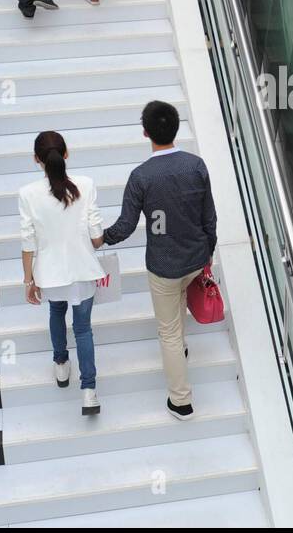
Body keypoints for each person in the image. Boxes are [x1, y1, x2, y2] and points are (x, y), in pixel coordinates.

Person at [102, 101, 217, 421]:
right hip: (196, 258)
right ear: (176, 129)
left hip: (164, 265)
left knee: (168, 330)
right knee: (177, 316)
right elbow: (210, 217)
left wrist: (101, 238)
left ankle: (181, 401)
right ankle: (180, 351)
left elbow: (125, 227)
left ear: (145, 132)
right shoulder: (196, 166)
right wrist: (208, 250)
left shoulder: (141, 176)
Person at [21, 131, 106, 416]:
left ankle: (60, 365)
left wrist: (28, 280)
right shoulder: (86, 185)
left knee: (56, 313)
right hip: (82, 270)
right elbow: (96, 237)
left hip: (49, 273)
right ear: (66, 153)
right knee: (83, 329)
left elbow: (27, 242)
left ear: (36, 159)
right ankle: (89, 392)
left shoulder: (28, 194)